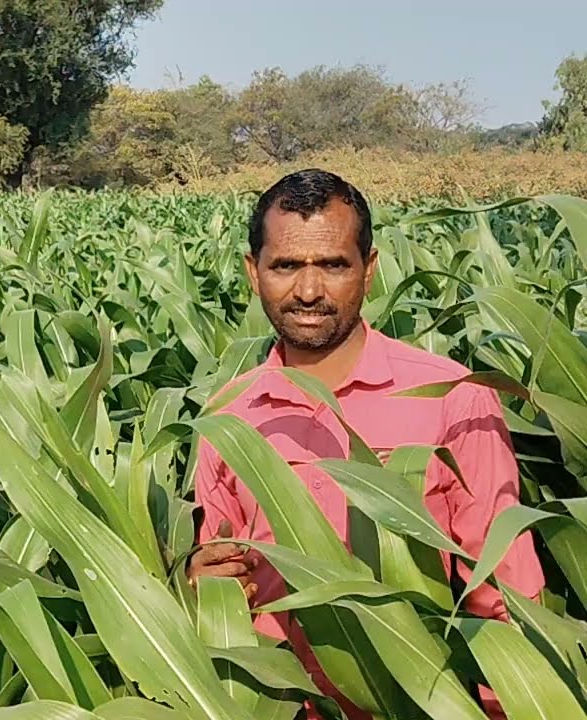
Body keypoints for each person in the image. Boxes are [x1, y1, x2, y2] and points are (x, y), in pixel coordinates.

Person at [186, 169, 544, 719]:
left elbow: (504, 599)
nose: (309, 291)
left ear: (369, 268)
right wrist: (202, 587)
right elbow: (222, 576)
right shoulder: (228, 416)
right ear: (253, 271)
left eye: (333, 265)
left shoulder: (453, 398)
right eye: (285, 266)